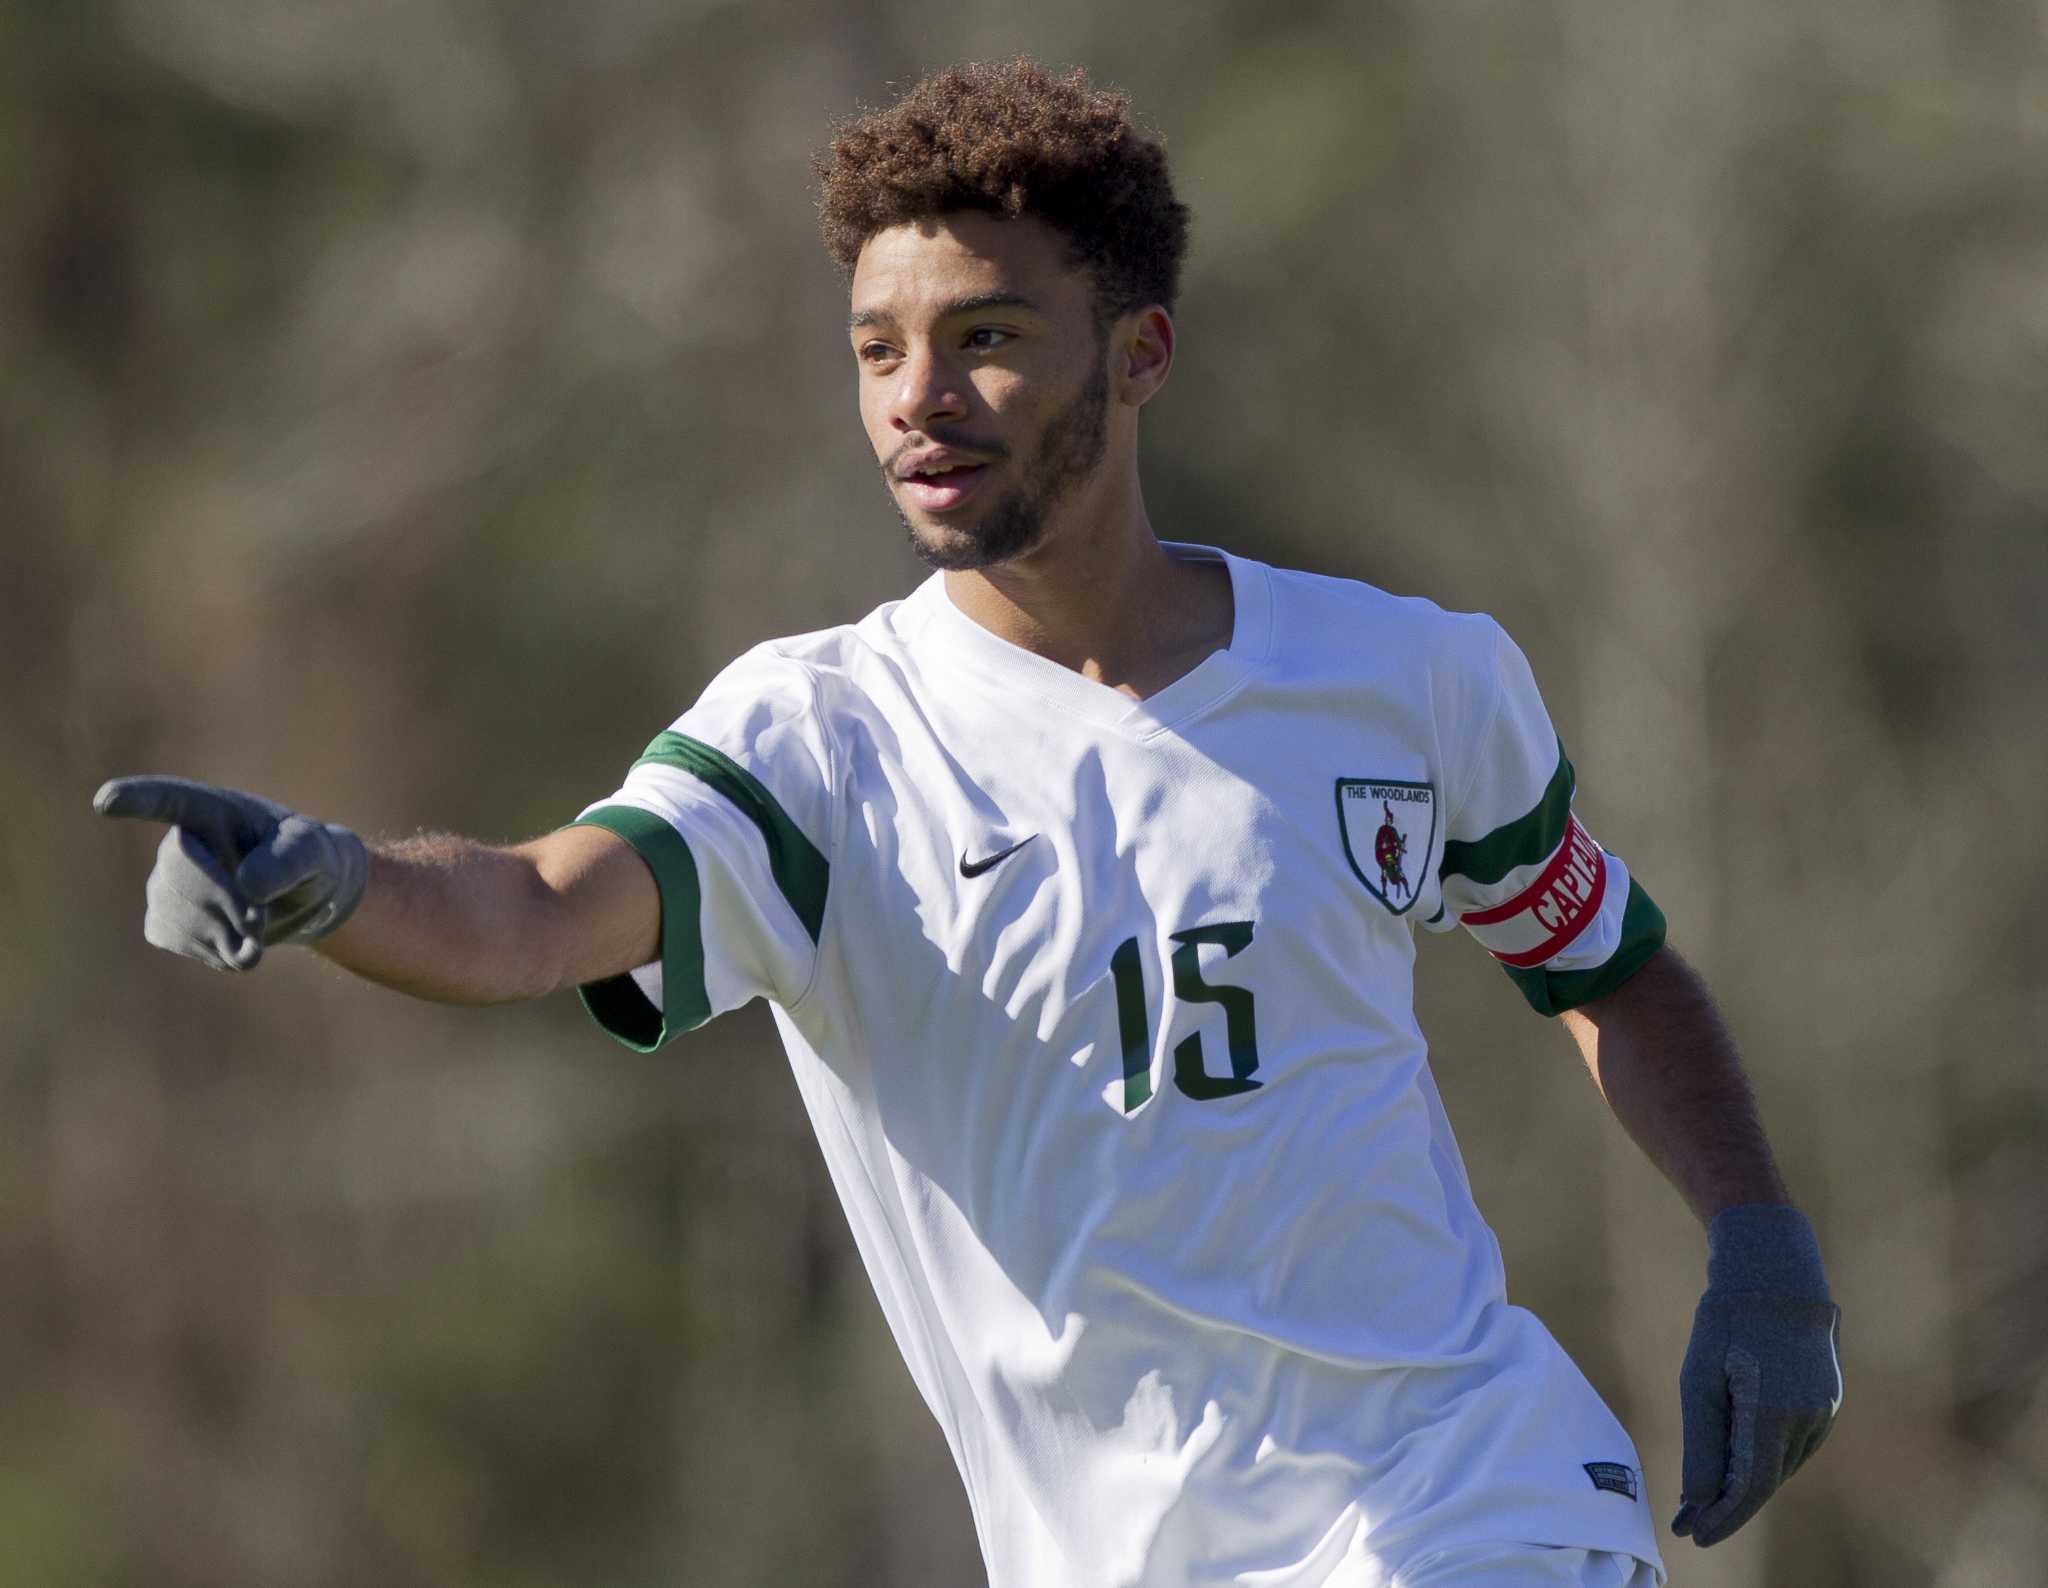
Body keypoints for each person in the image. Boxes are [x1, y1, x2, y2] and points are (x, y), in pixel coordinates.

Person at [95, 59, 1841, 1588]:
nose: (917, 397)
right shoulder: (812, 745)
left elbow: (1601, 961)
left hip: (1469, 1505)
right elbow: (538, 911)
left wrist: (1760, 1247)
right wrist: (332, 884)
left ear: (1140, 354)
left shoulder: (1413, 680)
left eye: (986, 340)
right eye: (878, 350)